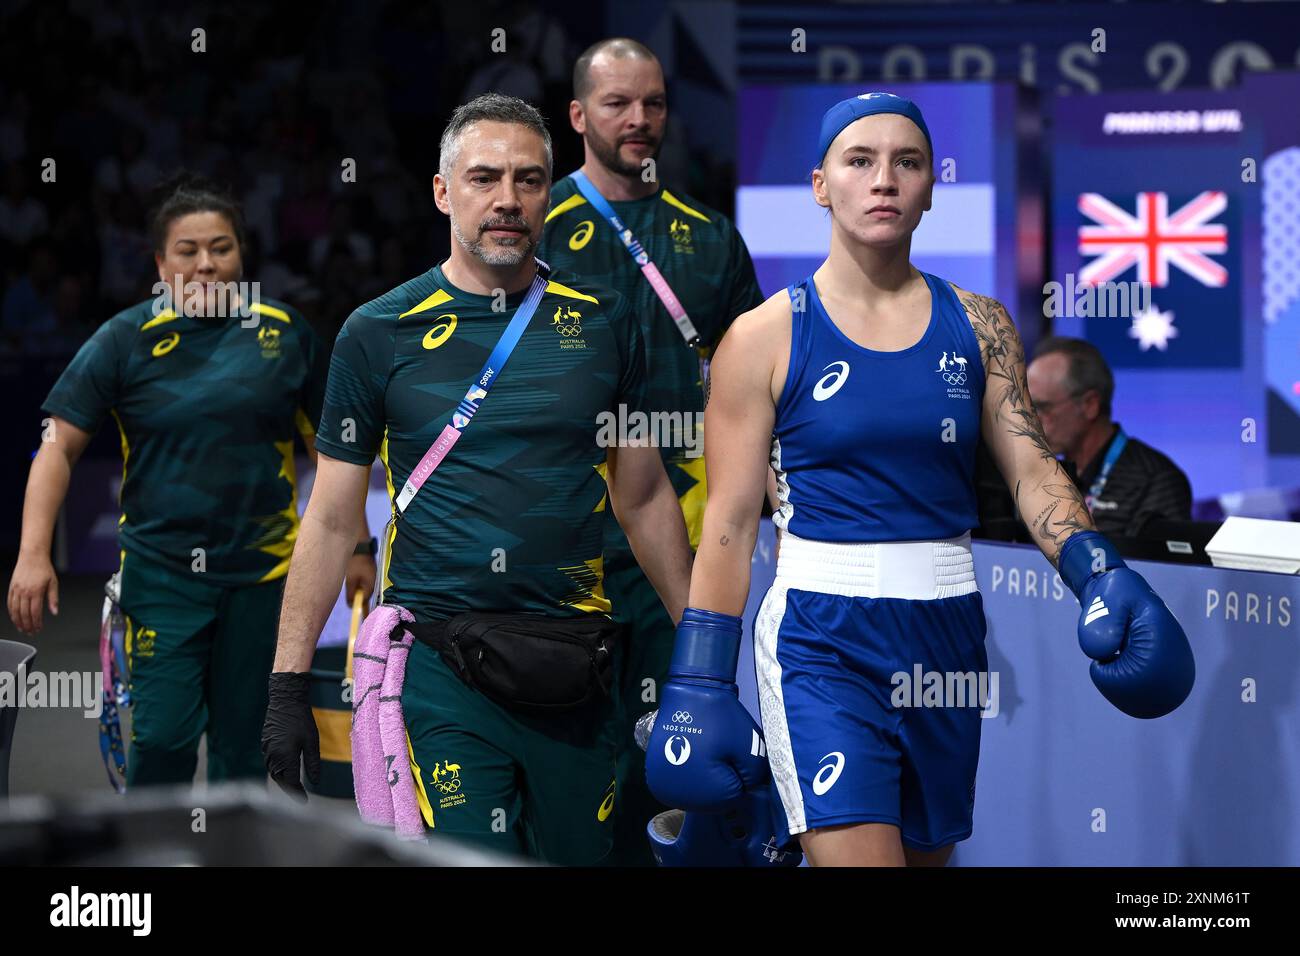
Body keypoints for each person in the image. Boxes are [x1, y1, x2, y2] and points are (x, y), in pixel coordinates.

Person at [643, 93, 1195, 866]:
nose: (884, 181)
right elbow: (731, 525)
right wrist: (700, 677)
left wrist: (1097, 571)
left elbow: (1034, 469)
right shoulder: (764, 336)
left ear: (933, 186)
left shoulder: (980, 324)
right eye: (859, 161)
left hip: (947, 635)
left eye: (907, 162)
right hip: (821, 636)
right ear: (820, 185)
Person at [261, 94, 693, 866]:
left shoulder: (604, 319)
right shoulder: (376, 332)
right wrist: (288, 684)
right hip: (441, 669)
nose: (507, 200)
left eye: (529, 181)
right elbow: (329, 520)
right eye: (484, 178)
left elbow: (645, 497)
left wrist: (703, 650)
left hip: (578, 664)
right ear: (441, 191)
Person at [6, 173, 375, 787]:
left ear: (240, 255)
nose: (206, 264)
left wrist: (359, 545)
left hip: (264, 577)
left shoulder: (285, 335)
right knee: (163, 743)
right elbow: (56, 447)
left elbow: (331, 453)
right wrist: (32, 552)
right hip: (163, 577)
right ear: (160, 263)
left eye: (221, 248)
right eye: (188, 250)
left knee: (249, 750)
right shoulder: (123, 340)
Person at [538, 37, 766, 865]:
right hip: (563, 552)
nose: (640, 120)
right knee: (569, 768)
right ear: (577, 116)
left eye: (655, 103)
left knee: (674, 764)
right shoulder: (530, 232)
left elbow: (758, 385)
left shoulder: (711, 238)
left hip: (694, 554)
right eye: (616, 104)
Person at [1028, 336, 1192, 536]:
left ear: (1090, 405)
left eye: (1042, 407)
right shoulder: (1038, 476)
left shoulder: (1157, 481)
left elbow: (1158, 567)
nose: (1030, 420)